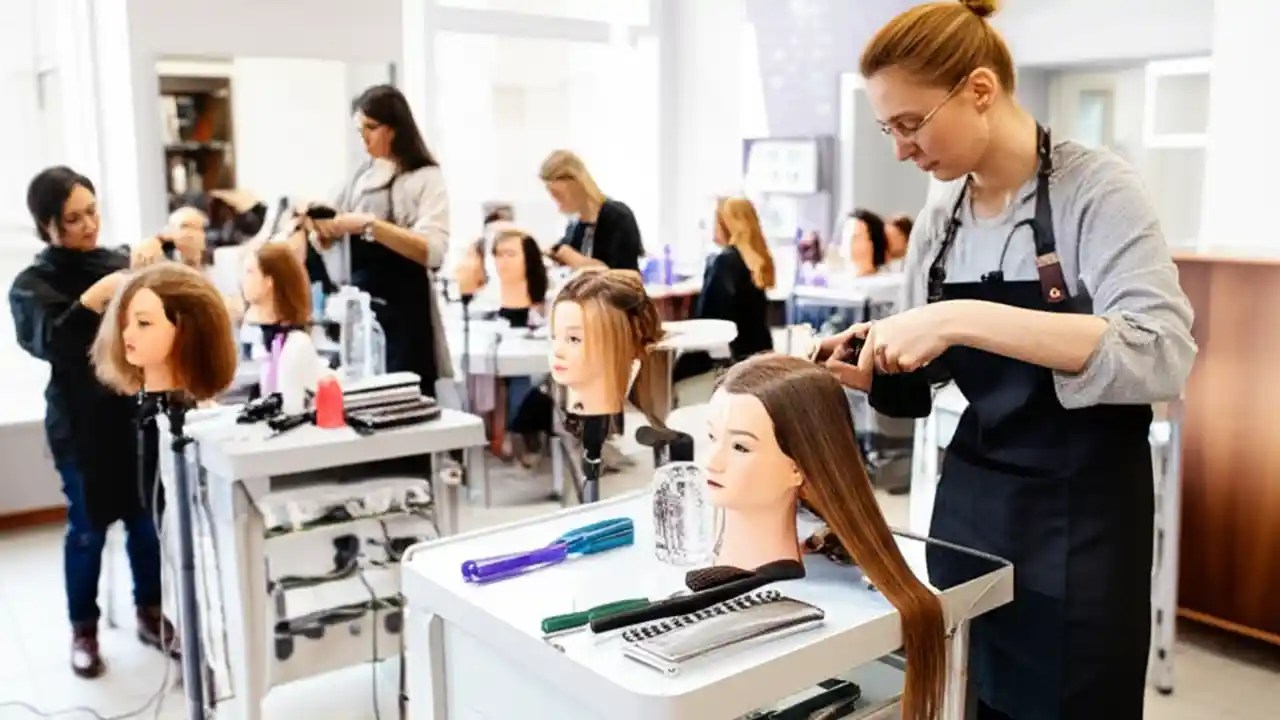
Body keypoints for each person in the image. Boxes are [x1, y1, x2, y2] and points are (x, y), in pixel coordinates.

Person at [817, 2, 1196, 717]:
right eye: (886, 129)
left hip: (1081, 521)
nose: (900, 149)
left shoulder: (1096, 193)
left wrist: (964, 317)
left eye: (910, 123)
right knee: (978, 697)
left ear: (980, 91)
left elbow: (1161, 351)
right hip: (973, 512)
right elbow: (931, 368)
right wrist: (877, 365)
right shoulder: (940, 223)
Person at [8, 167, 178, 679]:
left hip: (134, 418)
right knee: (87, 529)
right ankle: (83, 628)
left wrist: (166, 247)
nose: (89, 225)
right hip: (80, 427)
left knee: (146, 522)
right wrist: (97, 296)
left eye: (93, 211)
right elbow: (56, 343)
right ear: (47, 226)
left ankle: (150, 611)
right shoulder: (31, 286)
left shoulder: (117, 260)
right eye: (74, 218)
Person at [287, 83, 452, 397]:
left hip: (407, 317)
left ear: (396, 129)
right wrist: (322, 229)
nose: (364, 138)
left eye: (371, 128)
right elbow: (332, 238)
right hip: (362, 311)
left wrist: (369, 225)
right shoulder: (357, 180)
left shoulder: (425, 178)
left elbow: (433, 251)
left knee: (406, 408)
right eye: (359, 129)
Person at [673, 197, 775, 382]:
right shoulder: (753, 262)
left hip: (730, 360)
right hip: (758, 354)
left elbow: (708, 319)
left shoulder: (724, 262)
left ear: (724, 224)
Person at [540, 149, 644, 273]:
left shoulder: (617, 216)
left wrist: (569, 255)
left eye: (558, 194)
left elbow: (620, 274)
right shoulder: (576, 226)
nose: (556, 201)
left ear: (576, 183)